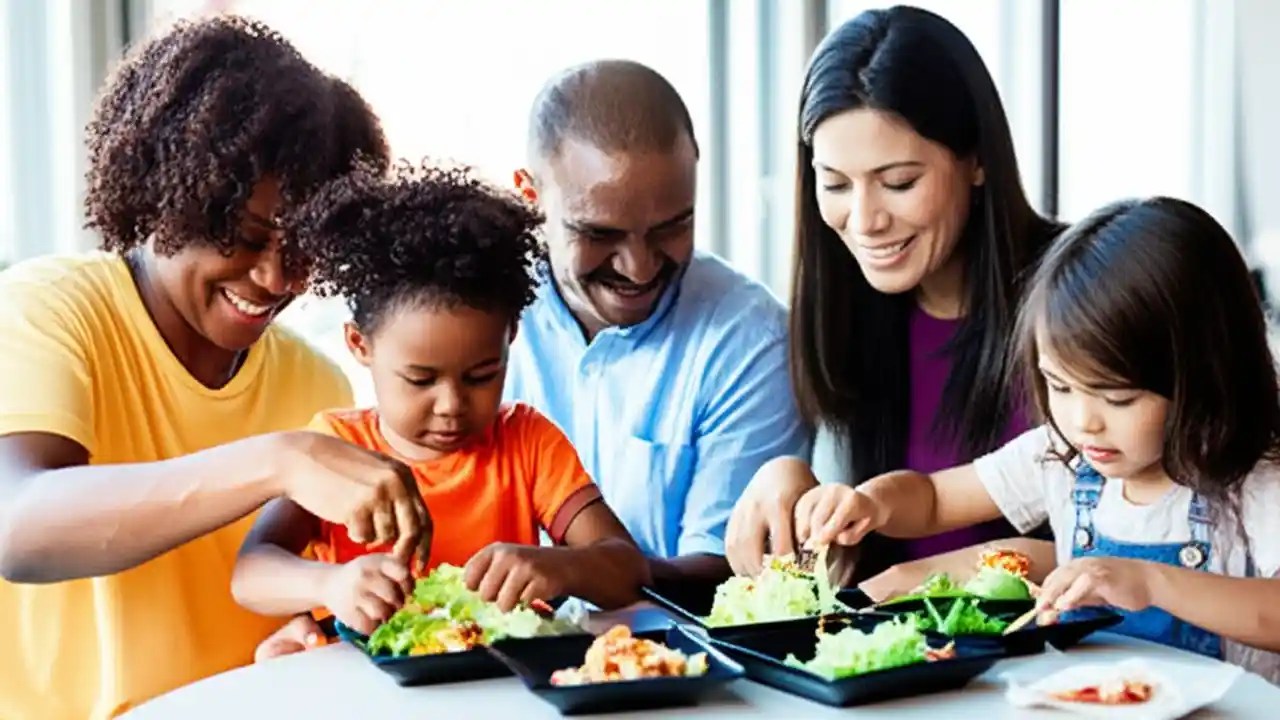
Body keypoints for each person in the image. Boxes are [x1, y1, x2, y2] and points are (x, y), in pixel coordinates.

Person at [0, 17, 430, 719]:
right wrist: (277, 461)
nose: (274, 277)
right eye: (244, 236)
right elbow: (16, 530)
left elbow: (290, 604)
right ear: (171, 195)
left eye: (305, 248)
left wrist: (301, 638)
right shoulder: (48, 312)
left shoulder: (315, 386)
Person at [797, 196, 1280, 680]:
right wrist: (871, 503)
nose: (1083, 419)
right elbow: (934, 498)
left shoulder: (1251, 478)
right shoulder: (1061, 457)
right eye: (1060, 385)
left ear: (1205, 377)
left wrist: (1152, 582)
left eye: (1118, 399)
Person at [233, 161, 650, 649]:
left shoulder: (527, 442)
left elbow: (629, 568)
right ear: (360, 345)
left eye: (481, 376)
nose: (452, 404)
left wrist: (563, 566)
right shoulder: (337, 449)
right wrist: (330, 585)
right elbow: (251, 571)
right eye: (420, 379)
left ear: (510, 338)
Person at [725, 5, 1062, 589]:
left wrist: (923, 577)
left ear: (977, 159)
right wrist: (797, 500)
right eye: (833, 184)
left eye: (900, 182)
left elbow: (1126, 545)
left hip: (1081, 667)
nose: (864, 220)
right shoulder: (848, 318)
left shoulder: (1080, 297)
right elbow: (852, 567)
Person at [506, 59, 810, 583]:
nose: (639, 267)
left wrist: (582, 574)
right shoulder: (474, 316)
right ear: (532, 198)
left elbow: (729, 574)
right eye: (599, 234)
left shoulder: (749, 341)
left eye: (673, 226)